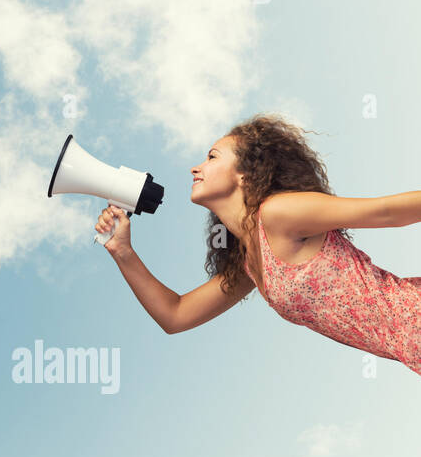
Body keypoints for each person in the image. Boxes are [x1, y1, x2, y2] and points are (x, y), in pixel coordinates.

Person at [99, 112, 421, 374]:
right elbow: (176, 315)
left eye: (212, 157)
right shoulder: (251, 263)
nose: (196, 167)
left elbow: (387, 212)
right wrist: (122, 251)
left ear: (245, 174)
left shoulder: (279, 213)